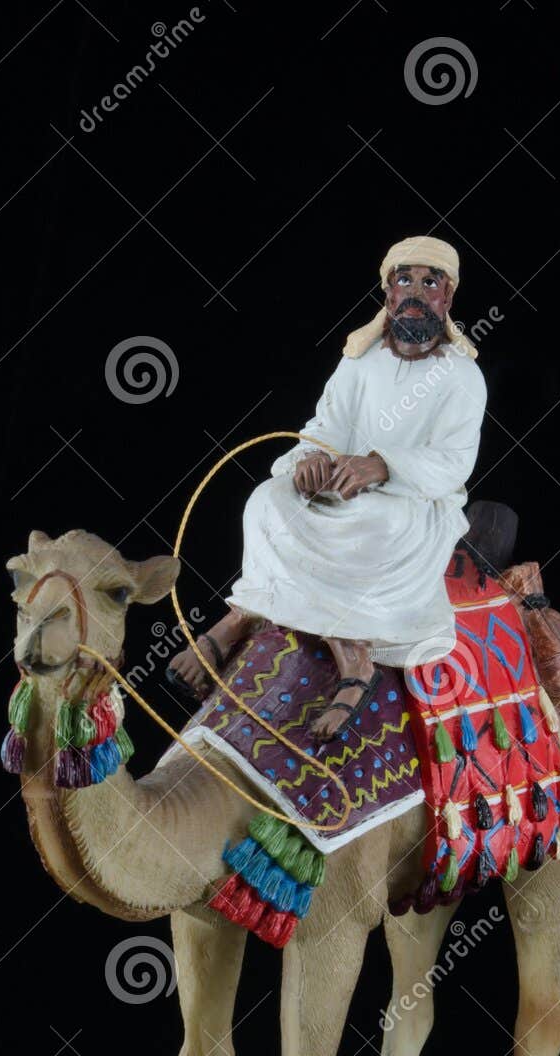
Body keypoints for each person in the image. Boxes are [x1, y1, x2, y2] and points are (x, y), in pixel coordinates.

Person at [168, 236, 488, 740]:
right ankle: (240, 616)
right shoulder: (358, 361)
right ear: (387, 291)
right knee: (266, 503)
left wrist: (383, 466)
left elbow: (453, 464)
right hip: (340, 490)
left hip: (411, 504)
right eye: (405, 279)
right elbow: (326, 426)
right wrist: (310, 459)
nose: (416, 292)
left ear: (447, 298)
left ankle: (354, 656)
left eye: (431, 282)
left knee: (378, 525)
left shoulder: (463, 377)